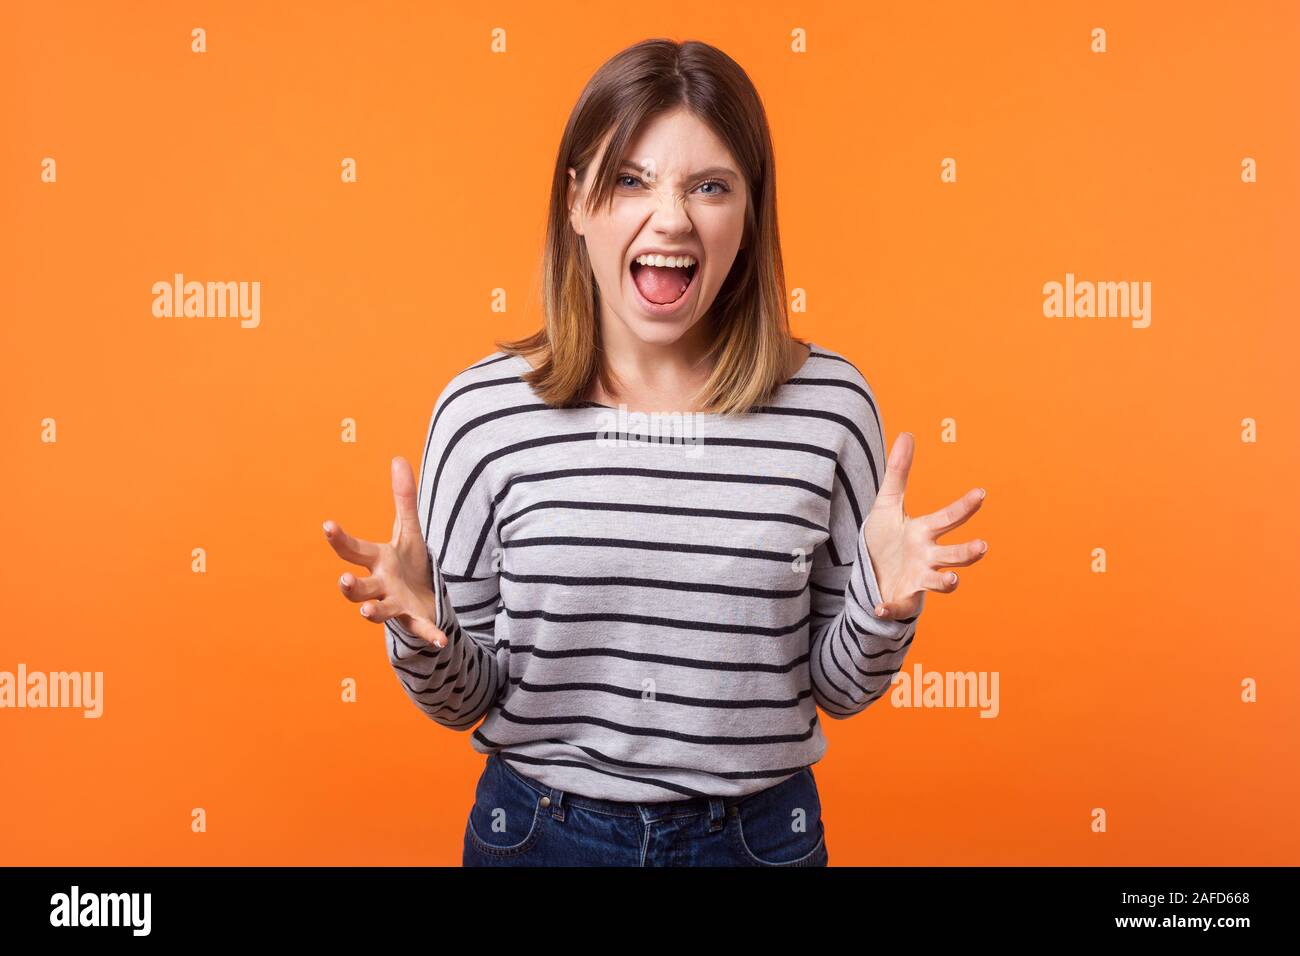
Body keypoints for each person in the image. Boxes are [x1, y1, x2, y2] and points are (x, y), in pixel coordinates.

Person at [323, 38, 988, 866]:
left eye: (709, 186)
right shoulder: (483, 411)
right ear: (576, 203)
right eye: (631, 180)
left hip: (756, 841)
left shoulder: (830, 408)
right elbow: (469, 701)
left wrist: (882, 613)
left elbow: (835, 688)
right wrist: (426, 636)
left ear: (748, 216)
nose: (670, 217)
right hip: (539, 836)